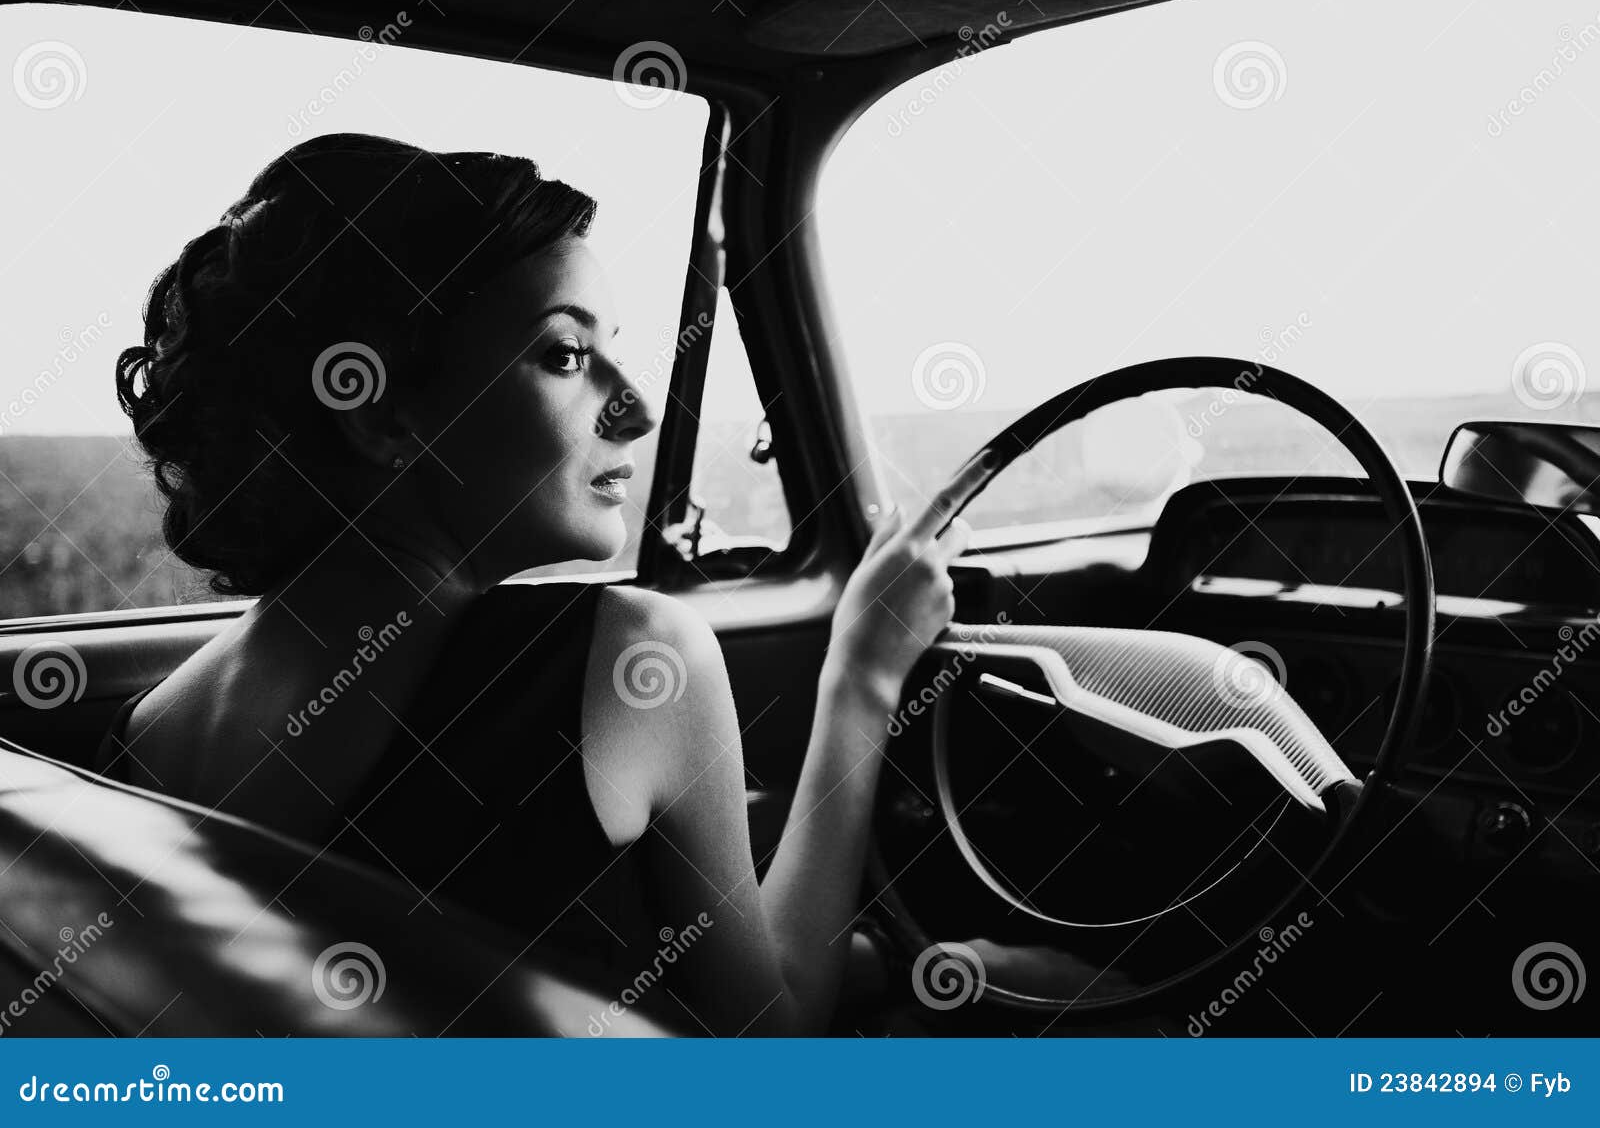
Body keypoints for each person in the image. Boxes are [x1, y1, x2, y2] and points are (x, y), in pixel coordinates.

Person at [103, 133, 974, 1036]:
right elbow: (770, 1039)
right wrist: (864, 678)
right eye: (564, 356)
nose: (635, 408)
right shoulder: (628, 658)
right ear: (381, 410)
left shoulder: (147, 731)